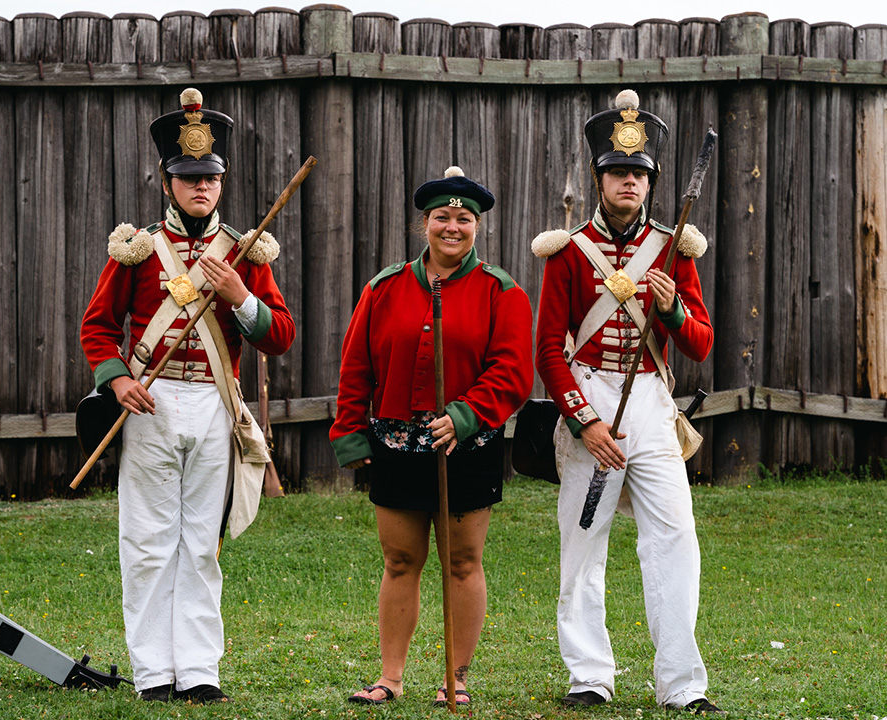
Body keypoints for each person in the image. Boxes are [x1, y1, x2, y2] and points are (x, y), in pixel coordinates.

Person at [80, 88, 295, 704]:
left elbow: (279, 335)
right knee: (147, 542)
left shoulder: (245, 252)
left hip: (213, 406)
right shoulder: (139, 249)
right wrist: (118, 379)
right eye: (189, 178)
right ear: (168, 181)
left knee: (202, 542)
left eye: (211, 177)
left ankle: (199, 670)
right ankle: (153, 673)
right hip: (148, 404)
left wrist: (240, 299)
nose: (202, 188)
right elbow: (98, 327)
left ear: (222, 181)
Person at [531, 89, 722, 715]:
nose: (629, 182)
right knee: (583, 541)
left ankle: (682, 684)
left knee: (674, 538)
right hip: (589, 392)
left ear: (652, 181)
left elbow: (698, 343)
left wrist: (670, 307)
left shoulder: (675, 249)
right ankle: (589, 674)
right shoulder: (567, 253)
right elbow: (549, 352)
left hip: (649, 399)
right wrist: (582, 420)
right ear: (599, 176)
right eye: (618, 171)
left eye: (639, 173)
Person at [331, 167, 533, 707]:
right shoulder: (383, 287)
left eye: (464, 218)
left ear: (477, 227)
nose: (453, 226)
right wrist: (350, 433)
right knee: (400, 561)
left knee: (462, 562)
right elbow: (357, 368)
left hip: (466, 445)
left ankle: (456, 678)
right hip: (395, 444)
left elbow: (513, 371)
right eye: (442, 216)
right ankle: (390, 678)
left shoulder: (502, 291)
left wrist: (465, 416)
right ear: (425, 223)